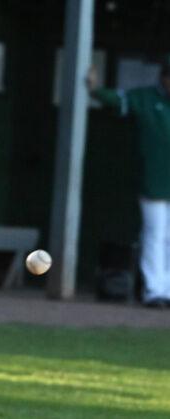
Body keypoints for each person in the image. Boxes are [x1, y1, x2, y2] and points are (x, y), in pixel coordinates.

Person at [87, 58, 170, 308]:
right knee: (155, 234)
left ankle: (166, 288)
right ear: (164, 77)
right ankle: (154, 290)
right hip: (154, 180)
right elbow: (117, 100)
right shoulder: (146, 98)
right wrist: (94, 89)